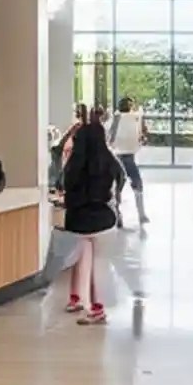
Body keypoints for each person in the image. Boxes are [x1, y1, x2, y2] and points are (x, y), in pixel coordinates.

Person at [62, 117, 123, 325]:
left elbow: (65, 189)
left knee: (81, 260)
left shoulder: (74, 165)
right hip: (105, 220)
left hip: (79, 222)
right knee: (100, 263)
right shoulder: (109, 160)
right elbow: (120, 180)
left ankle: (76, 298)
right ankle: (97, 308)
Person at [108, 97, 149, 225]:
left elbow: (110, 137)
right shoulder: (133, 117)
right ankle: (140, 214)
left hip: (118, 155)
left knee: (118, 187)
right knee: (137, 183)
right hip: (126, 156)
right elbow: (141, 133)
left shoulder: (118, 118)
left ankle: (118, 215)